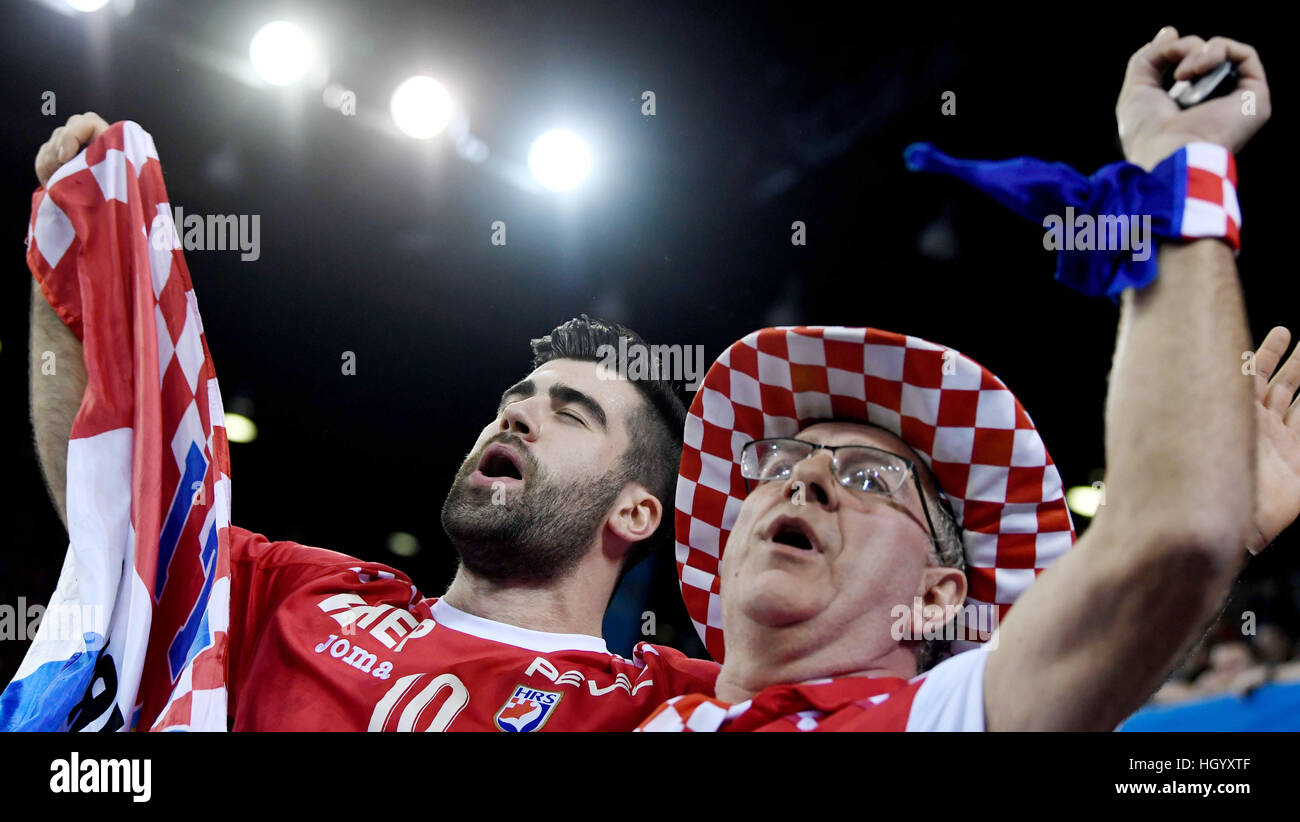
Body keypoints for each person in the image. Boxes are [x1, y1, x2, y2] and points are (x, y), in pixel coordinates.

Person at [641, 27, 1293, 731]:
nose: (807, 482)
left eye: (867, 478)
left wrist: (1177, 167)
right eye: (776, 463)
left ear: (934, 598)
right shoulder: (610, 699)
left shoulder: (940, 719)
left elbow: (1169, 544)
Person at [28, 117, 717, 730]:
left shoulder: (660, 708)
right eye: (518, 397)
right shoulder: (302, 594)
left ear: (636, 512)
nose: (517, 414)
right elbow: (124, 518)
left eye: (570, 414)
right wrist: (72, 248)